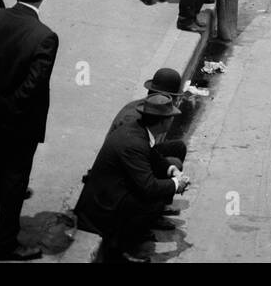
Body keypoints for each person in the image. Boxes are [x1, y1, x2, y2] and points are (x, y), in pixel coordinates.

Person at [0, 0, 60, 261]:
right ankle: (5, 244)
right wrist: (6, 109)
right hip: (19, 124)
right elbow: (32, 88)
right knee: (15, 183)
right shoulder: (44, 36)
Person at [74, 93, 188, 263]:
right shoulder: (134, 142)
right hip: (102, 205)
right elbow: (148, 187)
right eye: (170, 117)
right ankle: (121, 250)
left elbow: (153, 155)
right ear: (163, 121)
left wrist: (172, 170)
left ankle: (129, 240)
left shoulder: (137, 130)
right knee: (151, 201)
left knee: (156, 191)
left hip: (111, 191)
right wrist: (175, 184)